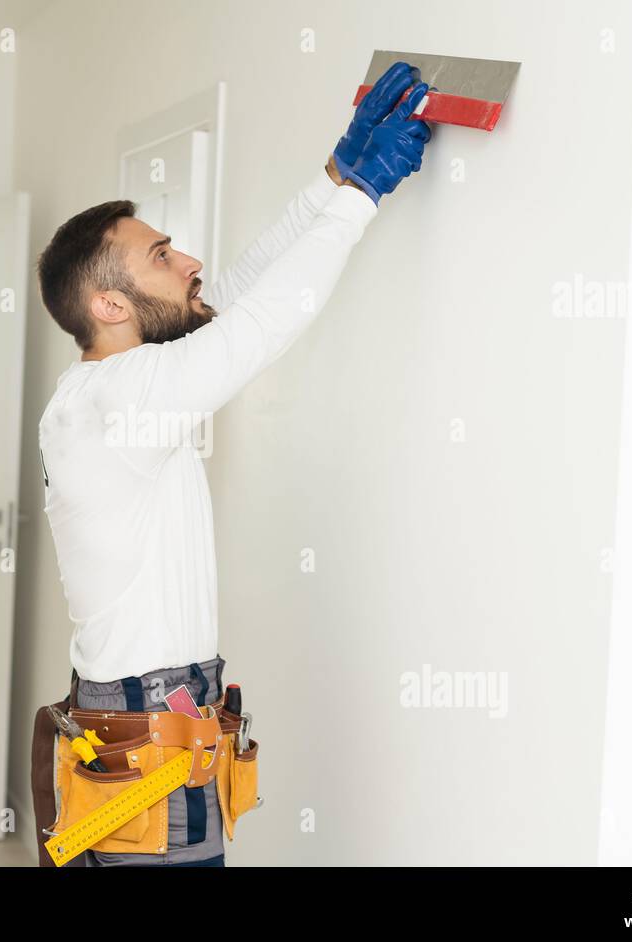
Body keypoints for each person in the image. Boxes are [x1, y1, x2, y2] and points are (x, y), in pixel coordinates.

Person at [34, 62, 432, 866]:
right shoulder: (118, 399)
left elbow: (241, 293)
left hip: (159, 722)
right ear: (109, 304)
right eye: (161, 255)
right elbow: (263, 323)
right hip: (152, 735)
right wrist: (362, 196)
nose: (187, 261)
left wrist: (334, 178)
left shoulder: (113, 390)